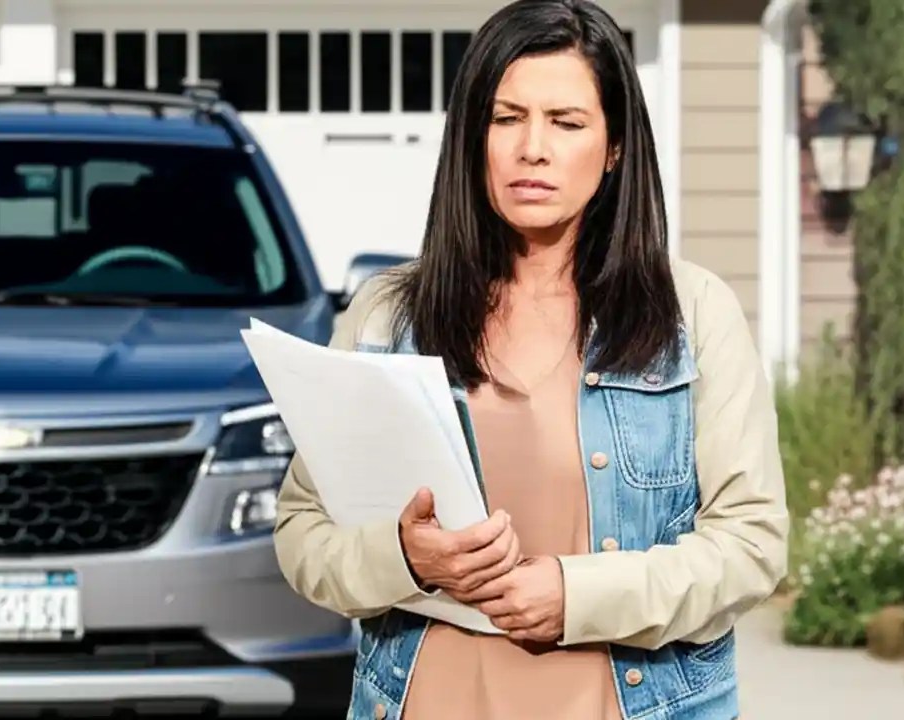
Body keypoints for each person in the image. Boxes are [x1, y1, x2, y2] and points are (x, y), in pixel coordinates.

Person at [272, 1, 790, 718]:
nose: (532, 148)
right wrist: (404, 557)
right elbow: (303, 535)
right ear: (471, 138)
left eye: (566, 122)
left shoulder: (692, 313)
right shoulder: (387, 313)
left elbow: (751, 545)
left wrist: (576, 597)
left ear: (614, 149)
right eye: (506, 118)